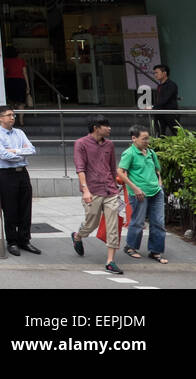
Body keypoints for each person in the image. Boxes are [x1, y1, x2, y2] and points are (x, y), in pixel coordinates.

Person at [72, 115, 123, 274]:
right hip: (92, 190)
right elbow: (80, 169)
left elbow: (112, 167)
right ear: (96, 127)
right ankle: (78, 236)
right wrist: (85, 190)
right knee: (91, 223)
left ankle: (110, 261)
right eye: (106, 126)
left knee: (112, 224)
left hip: (110, 190)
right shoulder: (81, 144)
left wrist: (116, 184)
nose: (109, 129)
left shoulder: (109, 145)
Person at [0, 104, 38, 256]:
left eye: (13, 115)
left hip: (22, 172)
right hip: (7, 174)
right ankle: (12, 241)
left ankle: (24, 239)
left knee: (25, 206)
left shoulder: (19, 133)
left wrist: (16, 151)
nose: (12, 117)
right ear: (0, 118)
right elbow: (3, 155)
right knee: (10, 208)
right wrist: (21, 154)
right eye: (9, 115)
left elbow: (32, 150)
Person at [119, 125, 167, 264]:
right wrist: (135, 188)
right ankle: (131, 247)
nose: (147, 141)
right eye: (143, 139)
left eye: (148, 138)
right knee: (138, 222)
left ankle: (156, 251)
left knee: (158, 222)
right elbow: (120, 172)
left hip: (156, 192)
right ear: (134, 138)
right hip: (139, 194)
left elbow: (157, 169)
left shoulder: (151, 152)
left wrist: (160, 182)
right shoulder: (129, 153)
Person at [152, 64, 179, 136]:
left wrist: (152, 107)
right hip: (160, 114)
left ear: (164, 73)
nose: (155, 75)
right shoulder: (159, 85)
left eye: (157, 72)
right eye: (154, 73)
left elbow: (164, 99)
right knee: (160, 135)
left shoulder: (171, 85)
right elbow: (158, 99)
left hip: (170, 114)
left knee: (176, 133)